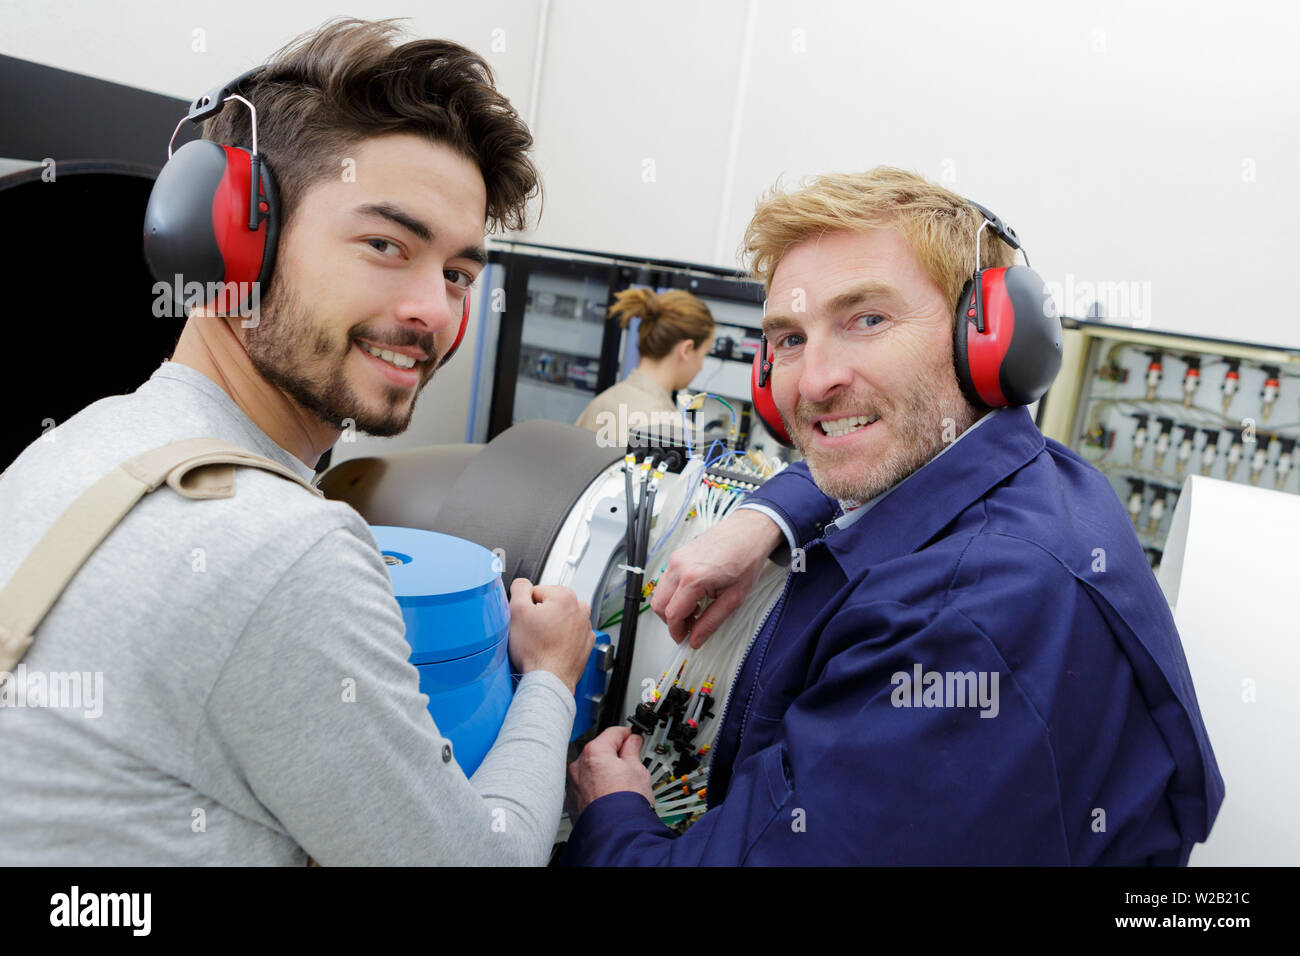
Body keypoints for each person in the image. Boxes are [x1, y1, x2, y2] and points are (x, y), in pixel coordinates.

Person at [0, 19, 593, 865]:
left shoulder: (73, 443)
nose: (435, 311)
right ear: (231, 244)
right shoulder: (285, 550)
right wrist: (549, 681)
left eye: (458, 274)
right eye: (386, 244)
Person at [562, 167, 1224, 865]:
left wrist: (612, 813)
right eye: (788, 339)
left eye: (867, 320)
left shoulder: (959, 622)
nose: (814, 381)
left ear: (993, 340)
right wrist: (767, 518)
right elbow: (892, 470)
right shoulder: (1045, 478)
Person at [575, 288, 715, 447]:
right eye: (705, 354)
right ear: (687, 349)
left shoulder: (599, 404)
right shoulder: (678, 433)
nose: (701, 367)